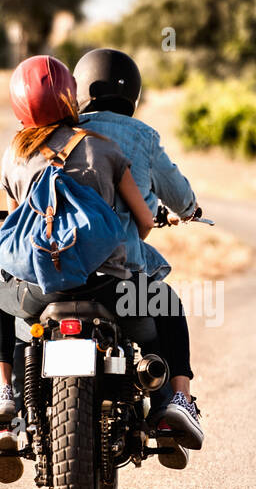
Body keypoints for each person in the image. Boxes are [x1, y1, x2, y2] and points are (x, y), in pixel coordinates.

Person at [0, 55, 173, 481]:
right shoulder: (103, 147)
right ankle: (167, 401)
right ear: (71, 95)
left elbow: (14, 232)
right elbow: (141, 221)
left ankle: (4, 391)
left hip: (42, 291)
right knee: (158, 317)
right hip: (108, 287)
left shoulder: (15, 152)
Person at [72, 48, 204, 447]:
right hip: (121, 276)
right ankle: (175, 400)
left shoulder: (64, 131)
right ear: (133, 94)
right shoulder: (143, 138)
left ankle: (4, 394)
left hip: (59, 274)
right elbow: (178, 194)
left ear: (81, 89)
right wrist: (189, 209)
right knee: (167, 305)